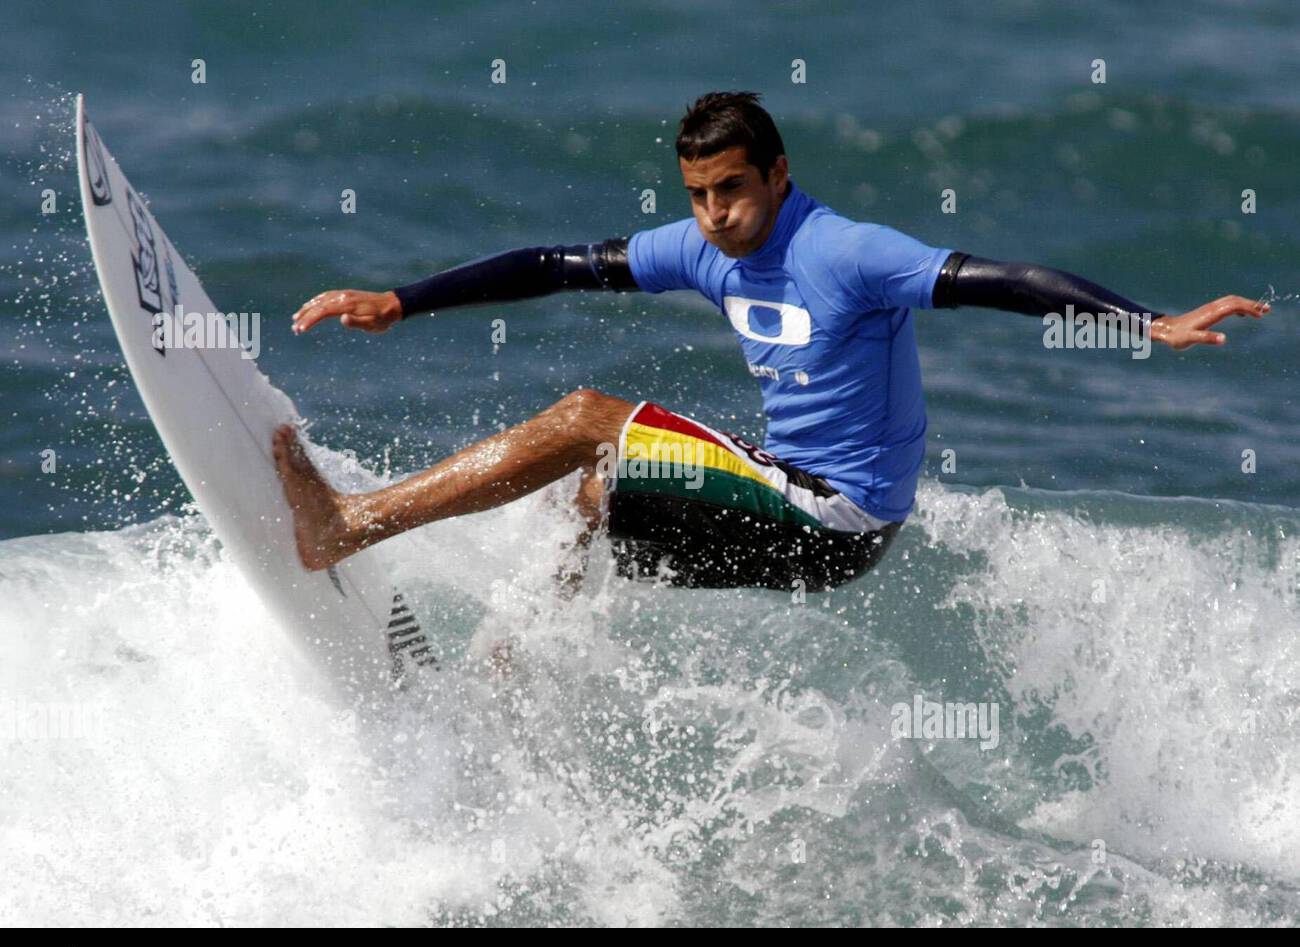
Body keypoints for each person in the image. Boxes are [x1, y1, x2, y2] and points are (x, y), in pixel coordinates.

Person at [274, 90, 1267, 592]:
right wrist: (400, 302)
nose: (714, 216)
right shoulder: (702, 246)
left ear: (778, 175)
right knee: (595, 489)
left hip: (839, 522)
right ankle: (519, 667)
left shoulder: (848, 251)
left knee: (586, 421)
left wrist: (1145, 323)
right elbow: (553, 264)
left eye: (732, 190)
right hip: (783, 492)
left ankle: (349, 525)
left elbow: (999, 281)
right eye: (697, 195)